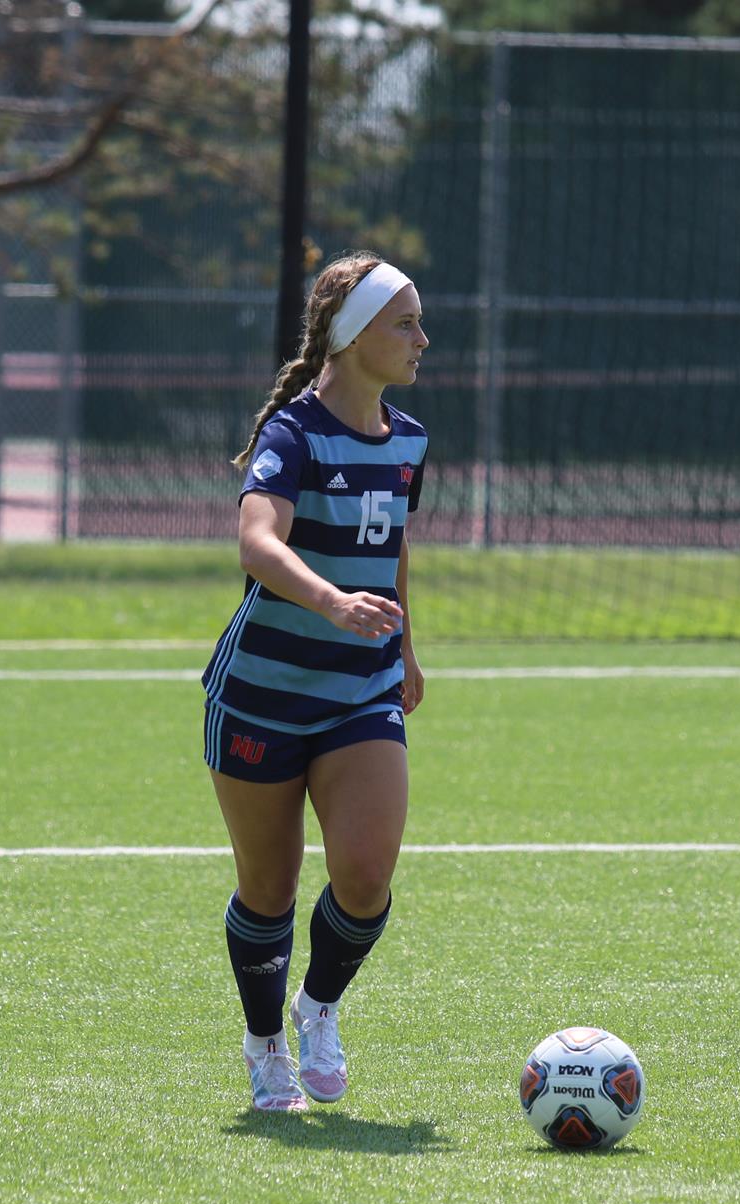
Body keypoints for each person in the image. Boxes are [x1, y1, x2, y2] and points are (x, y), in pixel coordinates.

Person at [202, 251, 430, 1112]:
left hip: (360, 688)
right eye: (404, 322)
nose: (422, 339)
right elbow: (257, 541)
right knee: (269, 888)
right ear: (352, 333)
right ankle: (265, 1046)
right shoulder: (291, 435)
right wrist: (332, 599)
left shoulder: (408, 439)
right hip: (263, 691)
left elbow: (394, 538)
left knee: (366, 872)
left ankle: (318, 1007)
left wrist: (404, 644)